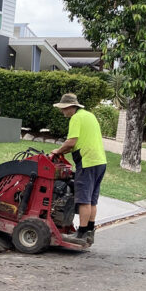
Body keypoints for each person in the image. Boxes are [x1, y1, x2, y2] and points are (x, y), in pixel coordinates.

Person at [48, 93, 106, 244]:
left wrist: (57, 151)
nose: (62, 112)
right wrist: (63, 151)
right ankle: (89, 232)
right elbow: (81, 141)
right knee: (92, 200)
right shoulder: (89, 116)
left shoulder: (76, 118)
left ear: (69, 107)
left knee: (84, 200)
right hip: (100, 162)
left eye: (63, 109)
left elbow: (71, 142)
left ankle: (80, 234)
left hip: (87, 162)